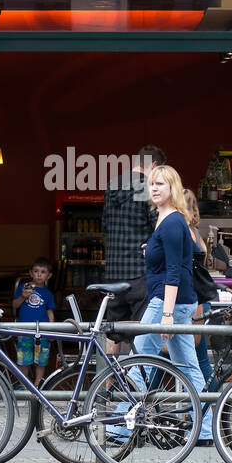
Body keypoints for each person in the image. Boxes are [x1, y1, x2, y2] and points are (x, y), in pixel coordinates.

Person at [133, 164, 208, 440]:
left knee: (137, 359)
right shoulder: (165, 218)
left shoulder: (174, 221)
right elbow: (170, 259)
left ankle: (124, 424)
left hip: (168, 302)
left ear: (172, 188)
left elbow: (175, 270)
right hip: (174, 301)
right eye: (152, 184)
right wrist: (151, 250)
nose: (154, 188)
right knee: (188, 367)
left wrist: (166, 315)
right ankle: (205, 428)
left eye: (161, 184)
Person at [101, 144, 162, 353]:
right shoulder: (149, 188)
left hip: (113, 273)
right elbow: (159, 227)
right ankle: (136, 382)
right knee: (141, 328)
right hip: (139, 271)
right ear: (153, 165)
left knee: (112, 329)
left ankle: (108, 382)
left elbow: (105, 225)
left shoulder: (112, 186)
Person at [184, 189, 213, 384]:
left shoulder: (184, 233)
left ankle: (212, 401)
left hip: (193, 303)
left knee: (200, 359)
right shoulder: (196, 233)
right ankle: (211, 401)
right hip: (200, 300)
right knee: (201, 359)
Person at [11, 257, 55, 383]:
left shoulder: (48, 293)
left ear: (49, 276)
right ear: (31, 273)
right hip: (24, 330)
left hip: (42, 330)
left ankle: (37, 384)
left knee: (41, 360)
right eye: (36, 271)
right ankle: (24, 383)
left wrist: (52, 329)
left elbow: (50, 312)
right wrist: (23, 296)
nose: (39, 275)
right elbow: (14, 305)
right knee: (24, 359)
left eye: (43, 272)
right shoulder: (23, 287)